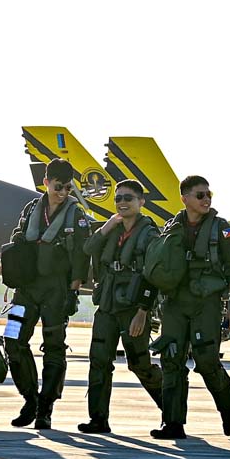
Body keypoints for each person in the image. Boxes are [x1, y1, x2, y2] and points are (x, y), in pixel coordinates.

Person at [151, 176, 230, 440]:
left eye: (208, 195)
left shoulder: (221, 229)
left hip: (207, 303)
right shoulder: (171, 228)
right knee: (172, 360)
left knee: (206, 361)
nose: (206, 200)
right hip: (175, 303)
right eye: (200, 195)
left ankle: (228, 406)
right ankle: (173, 423)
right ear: (185, 198)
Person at [5, 157, 91, 430]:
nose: (62, 191)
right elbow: (18, 237)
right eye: (57, 186)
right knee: (12, 340)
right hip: (26, 288)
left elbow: (81, 254)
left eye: (67, 187)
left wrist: (74, 290)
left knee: (54, 347)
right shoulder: (32, 208)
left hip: (56, 288)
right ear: (46, 182)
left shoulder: (76, 215)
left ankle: (46, 406)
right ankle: (30, 398)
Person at [78, 178, 163, 433]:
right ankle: (98, 419)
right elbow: (88, 248)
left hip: (133, 307)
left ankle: (170, 409)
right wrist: (106, 227)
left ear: (141, 202)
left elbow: (153, 276)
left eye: (128, 198)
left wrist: (143, 312)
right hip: (107, 305)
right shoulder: (112, 229)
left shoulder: (150, 234)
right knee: (99, 361)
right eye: (118, 199)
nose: (122, 203)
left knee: (139, 363)